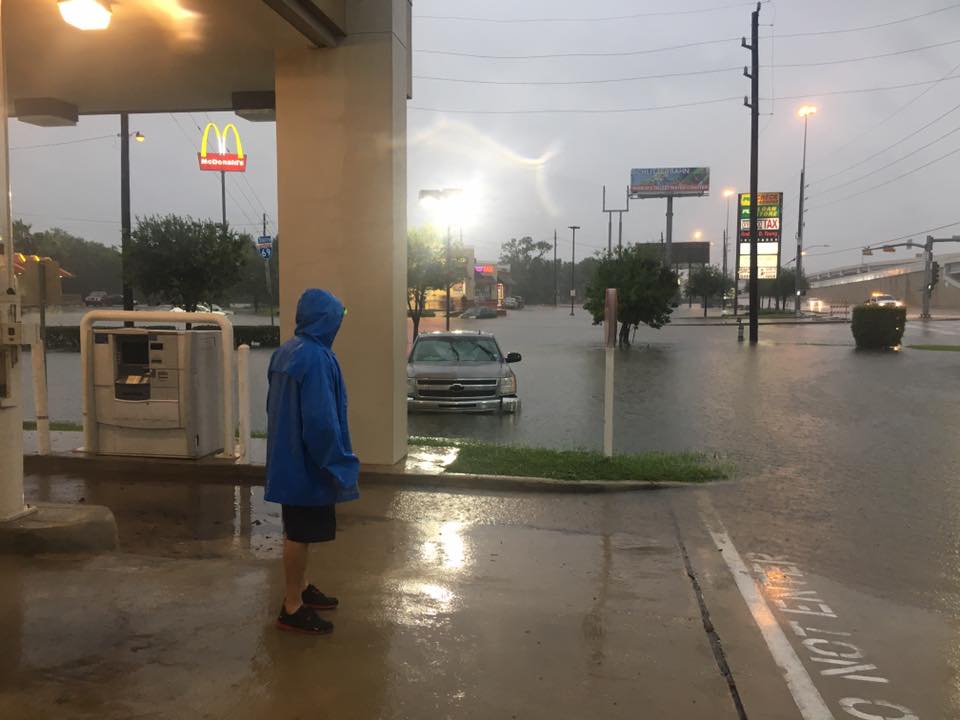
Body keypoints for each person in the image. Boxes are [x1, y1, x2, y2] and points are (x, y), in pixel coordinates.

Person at [265, 288, 360, 634]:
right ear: (326, 319)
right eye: (338, 317)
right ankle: (292, 606)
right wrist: (338, 461)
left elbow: (272, 406)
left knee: (297, 529)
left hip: (287, 456)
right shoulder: (317, 358)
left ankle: (302, 587)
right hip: (307, 462)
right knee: (299, 534)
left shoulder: (286, 352)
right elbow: (321, 422)